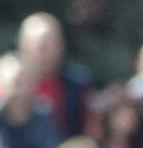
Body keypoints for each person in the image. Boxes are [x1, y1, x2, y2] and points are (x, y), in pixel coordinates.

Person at [15, 12, 94, 140]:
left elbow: (90, 130)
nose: (43, 53)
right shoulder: (6, 83)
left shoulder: (78, 84)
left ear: (61, 45)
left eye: (49, 46)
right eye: (40, 47)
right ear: (23, 47)